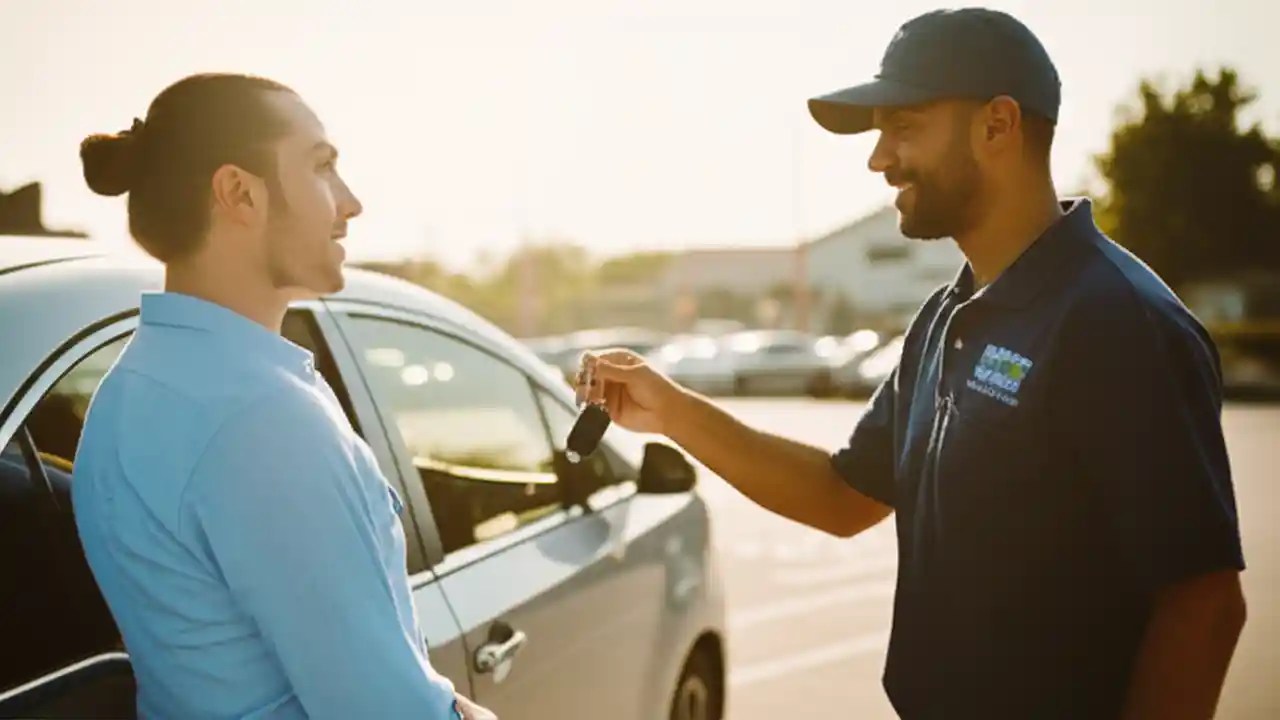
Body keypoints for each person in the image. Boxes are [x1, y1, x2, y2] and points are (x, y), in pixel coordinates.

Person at [579, 8, 1247, 719]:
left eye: (904, 127)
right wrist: (672, 411)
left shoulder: (1117, 322)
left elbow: (1203, 605)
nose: (879, 158)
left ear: (997, 124)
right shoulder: (943, 319)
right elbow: (844, 496)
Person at [73, 73, 495, 720]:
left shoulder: (129, 388)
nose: (350, 202)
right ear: (239, 193)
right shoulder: (259, 418)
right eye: (322, 167)